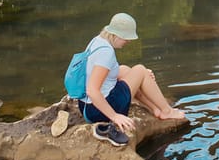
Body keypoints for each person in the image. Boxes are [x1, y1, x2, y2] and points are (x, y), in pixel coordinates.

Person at [79, 12, 185, 146]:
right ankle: (167, 111)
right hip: (98, 112)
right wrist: (114, 116)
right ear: (116, 35)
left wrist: (139, 76)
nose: (128, 41)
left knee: (125, 70)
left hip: (86, 107)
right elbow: (92, 90)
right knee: (140, 69)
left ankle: (155, 109)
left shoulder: (97, 41)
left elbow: (106, 73)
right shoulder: (106, 53)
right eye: (126, 38)